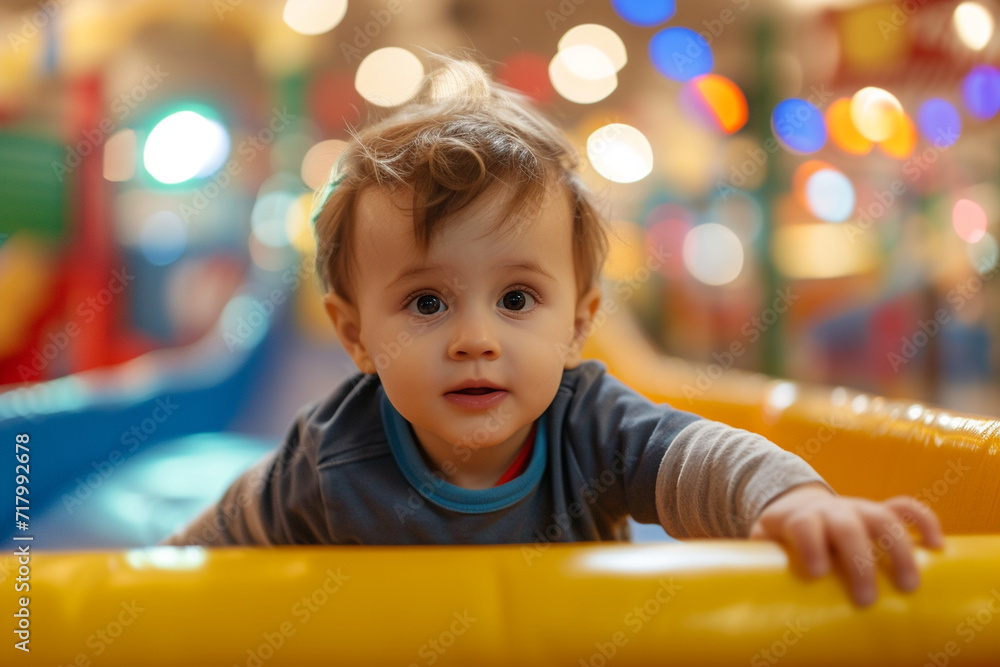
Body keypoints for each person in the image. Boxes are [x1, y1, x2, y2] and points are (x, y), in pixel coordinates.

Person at [163, 57, 943, 607]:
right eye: (427, 303)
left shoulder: (591, 426)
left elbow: (706, 456)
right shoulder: (332, 456)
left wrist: (796, 501)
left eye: (516, 298)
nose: (475, 337)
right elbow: (207, 549)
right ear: (355, 333)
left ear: (577, 324)